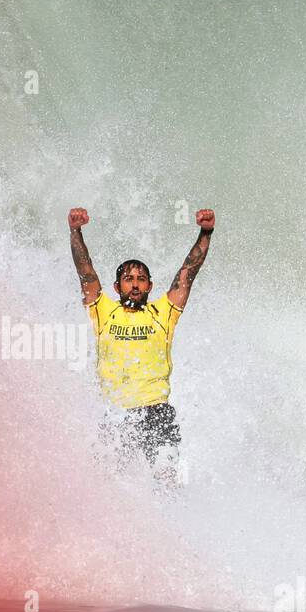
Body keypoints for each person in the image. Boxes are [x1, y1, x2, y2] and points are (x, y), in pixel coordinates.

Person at [67, 206, 215, 485]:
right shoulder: (103, 311)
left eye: (141, 280)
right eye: (128, 279)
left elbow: (188, 272)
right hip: (115, 415)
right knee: (109, 485)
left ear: (149, 286)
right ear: (116, 287)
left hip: (156, 413)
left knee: (165, 477)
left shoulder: (163, 313)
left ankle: (173, 520)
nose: (135, 285)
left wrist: (205, 233)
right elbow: (85, 272)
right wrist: (76, 231)